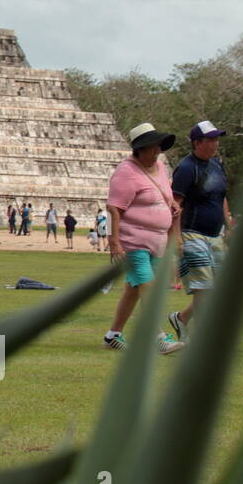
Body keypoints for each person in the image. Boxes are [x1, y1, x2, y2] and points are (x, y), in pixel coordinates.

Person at [103, 123, 183, 354]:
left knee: (133, 289)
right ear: (139, 149)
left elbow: (166, 194)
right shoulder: (126, 172)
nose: (156, 153)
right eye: (151, 149)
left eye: (158, 148)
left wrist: (174, 205)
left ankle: (112, 336)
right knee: (148, 287)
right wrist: (114, 242)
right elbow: (114, 209)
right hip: (133, 242)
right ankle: (157, 337)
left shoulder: (158, 167)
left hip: (156, 243)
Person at [167, 121, 235, 344]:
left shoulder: (216, 165)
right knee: (204, 288)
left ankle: (181, 318)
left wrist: (229, 224)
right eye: (211, 140)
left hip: (215, 236)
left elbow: (221, 196)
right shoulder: (187, 168)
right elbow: (175, 205)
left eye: (217, 139)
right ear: (197, 143)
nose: (215, 144)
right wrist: (176, 238)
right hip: (192, 234)